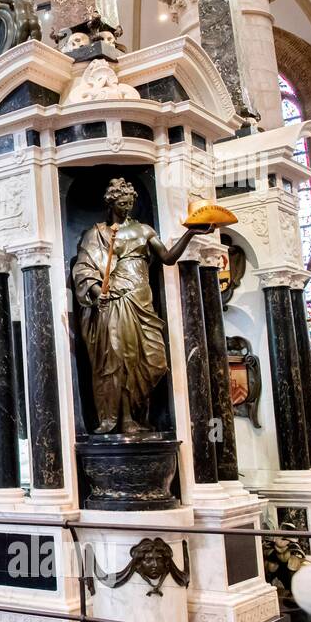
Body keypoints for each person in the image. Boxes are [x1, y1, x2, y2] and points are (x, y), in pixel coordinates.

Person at [71, 178, 211, 434]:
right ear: (111, 203)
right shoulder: (97, 234)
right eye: (122, 203)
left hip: (141, 299)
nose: (127, 208)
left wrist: (190, 232)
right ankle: (122, 419)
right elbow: (83, 269)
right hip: (115, 299)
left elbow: (168, 258)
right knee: (118, 360)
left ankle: (136, 413)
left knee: (154, 361)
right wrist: (95, 291)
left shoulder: (145, 230)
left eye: (130, 203)